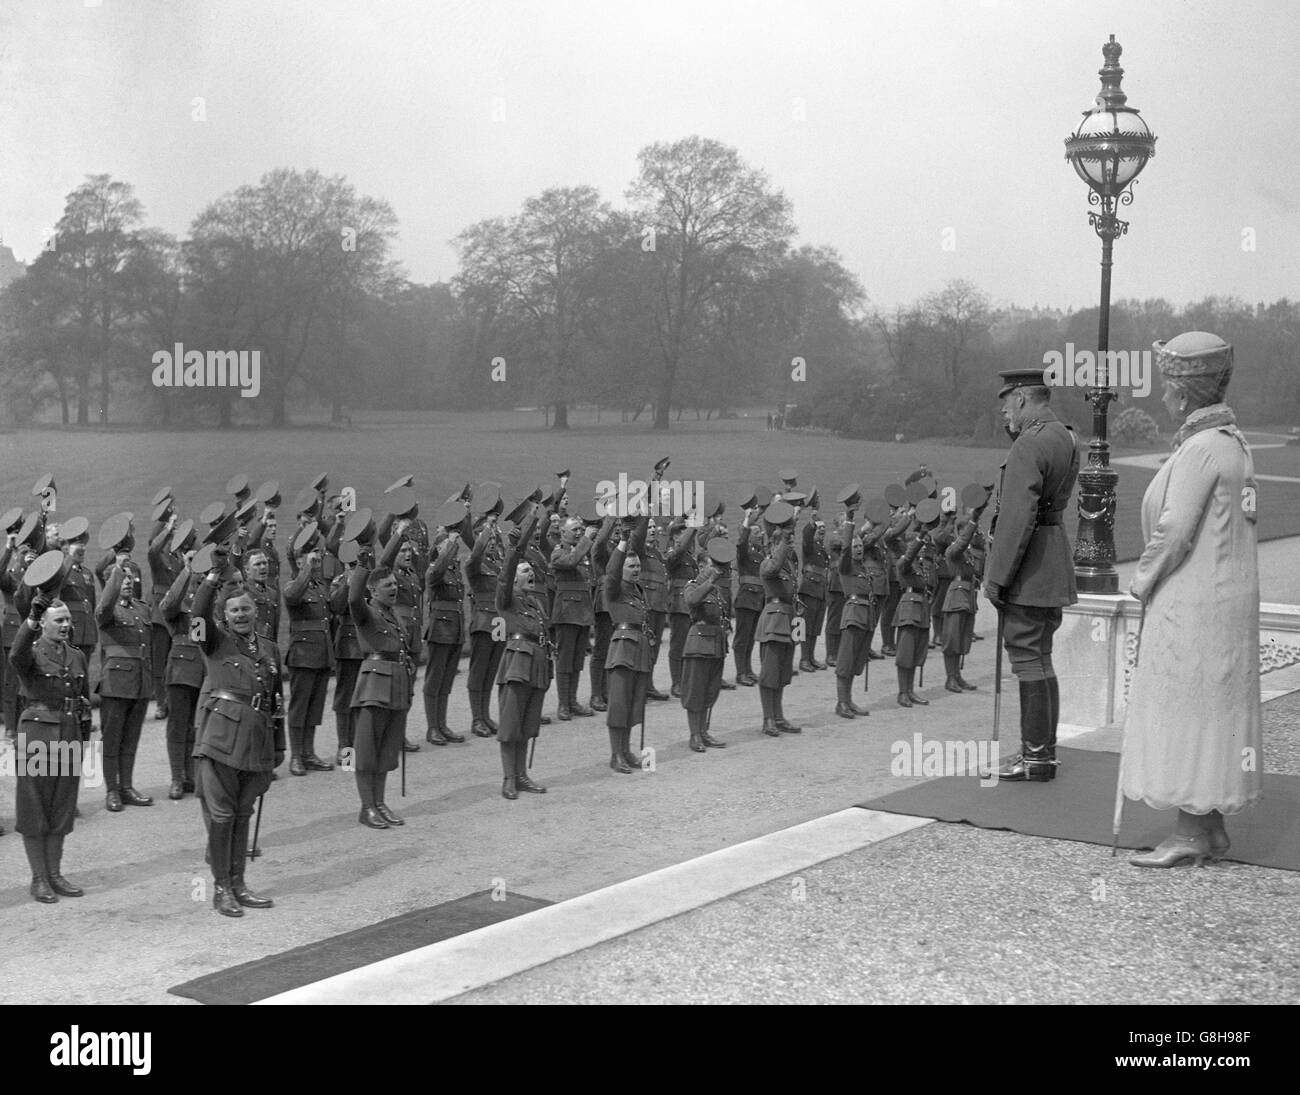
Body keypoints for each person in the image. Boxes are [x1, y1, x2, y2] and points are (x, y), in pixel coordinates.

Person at [1121, 332, 1262, 867]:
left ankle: (1189, 832)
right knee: (1212, 710)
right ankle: (1210, 824)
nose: (1161, 399)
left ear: (1183, 395)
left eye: (1167, 389)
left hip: (1193, 602)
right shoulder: (1233, 443)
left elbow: (1175, 529)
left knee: (1186, 708)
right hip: (1223, 599)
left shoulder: (1202, 449)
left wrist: (1142, 581)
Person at [984, 367, 1080, 781]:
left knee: (1025, 658)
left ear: (1022, 398)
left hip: (1028, 568)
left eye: (1007, 403)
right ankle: (1044, 754)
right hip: (1054, 559)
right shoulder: (1066, 436)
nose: (1005, 412)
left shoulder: (1030, 444)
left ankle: (1035, 757)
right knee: (1041, 657)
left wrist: (996, 578)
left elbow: (1016, 519)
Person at [191, 573, 283, 917]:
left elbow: (276, 701)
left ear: (256, 611)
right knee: (222, 815)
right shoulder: (215, 642)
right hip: (220, 739)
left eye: (246, 608)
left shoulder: (270, 647)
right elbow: (196, 619)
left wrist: (279, 747)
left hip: (257, 740)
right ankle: (221, 888)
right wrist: (211, 582)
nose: (241, 615)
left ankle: (240, 883)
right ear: (224, 616)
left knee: (244, 814)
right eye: (234, 611)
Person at [10, 595, 91, 903]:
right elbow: (15, 654)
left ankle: (55, 874)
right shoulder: (30, 652)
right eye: (59, 620)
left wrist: (82, 740)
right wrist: (28, 621)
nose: (66, 625)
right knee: (34, 805)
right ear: (43, 623)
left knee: (62, 805)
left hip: (69, 731)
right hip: (37, 734)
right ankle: (39, 878)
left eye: (68, 620)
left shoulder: (77, 656)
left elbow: (81, 699)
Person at [348, 562, 415, 829]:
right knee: (365, 749)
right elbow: (353, 597)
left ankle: (380, 802)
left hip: (397, 683)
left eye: (395, 583)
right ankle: (367, 807)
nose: (394, 588)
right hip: (374, 685)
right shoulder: (366, 612)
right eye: (388, 585)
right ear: (373, 591)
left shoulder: (393, 614)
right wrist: (363, 567)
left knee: (387, 749)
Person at [494, 509, 551, 798]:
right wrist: (515, 551)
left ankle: (522, 775)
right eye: (526, 571)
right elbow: (504, 578)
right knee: (511, 723)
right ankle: (508, 778)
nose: (531, 574)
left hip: (537, 666)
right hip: (516, 665)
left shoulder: (535, 604)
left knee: (528, 724)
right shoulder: (507, 601)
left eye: (531, 571)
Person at [95, 555, 155, 810]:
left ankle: (126, 786)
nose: (128, 582)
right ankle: (112, 791)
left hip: (140, 682)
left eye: (130, 578)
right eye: (122, 579)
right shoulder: (107, 610)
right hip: (116, 683)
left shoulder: (141, 609)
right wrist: (116, 571)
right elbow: (104, 605)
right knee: (112, 740)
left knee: (131, 739)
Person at [605, 515, 654, 772]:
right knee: (619, 703)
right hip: (622, 650)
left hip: (639, 650)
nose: (635, 570)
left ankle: (626, 750)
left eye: (637, 567)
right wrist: (623, 543)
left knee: (634, 703)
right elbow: (612, 572)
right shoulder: (614, 588)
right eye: (630, 567)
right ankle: (616, 755)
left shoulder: (638, 591)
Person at [422, 506, 472, 745]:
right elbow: (439, 567)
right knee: (434, 679)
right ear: (439, 550)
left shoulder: (453, 571)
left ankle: (442, 724)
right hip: (440, 629)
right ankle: (432, 727)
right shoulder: (435, 570)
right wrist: (450, 544)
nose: (452, 552)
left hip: (455, 629)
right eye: (446, 548)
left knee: (446, 680)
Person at [283, 545, 335, 775]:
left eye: (317, 554)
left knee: (314, 707)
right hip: (303, 655)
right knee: (299, 707)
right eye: (310, 554)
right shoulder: (293, 585)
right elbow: (293, 596)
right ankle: (296, 755)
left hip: (322, 654)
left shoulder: (320, 586)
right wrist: (305, 568)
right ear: (300, 559)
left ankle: (308, 752)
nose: (316, 559)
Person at [159, 554, 206, 798]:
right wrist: (185, 571)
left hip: (205, 670)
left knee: (196, 726)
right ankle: (177, 777)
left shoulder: (212, 599)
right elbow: (166, 607)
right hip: (181, 670)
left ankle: (191, 775)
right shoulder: (180, 603)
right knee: (178, 726)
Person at [680, 539, 733, 751]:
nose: (717, 569)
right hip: (699, 643)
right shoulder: (692, 585)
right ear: (702, 565)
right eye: (712, 564)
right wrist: (710, 580)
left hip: (716, 643)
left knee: (711, 691)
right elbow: (692, 601)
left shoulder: (717, 591)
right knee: (696, 691)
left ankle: (704, 731)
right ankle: (694, 735)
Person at [756, 501, 801, 737]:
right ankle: (768, 719)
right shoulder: (768, 563)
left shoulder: (790, 565)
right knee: (769, 674)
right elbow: (772, 569)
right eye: (783, 544)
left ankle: (779, 716)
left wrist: (799, 635)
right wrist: (784, 542)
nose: (789, 547)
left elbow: (794, 595)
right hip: (773, 622)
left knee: (783, 674)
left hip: (790, 619)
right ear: (774, 544)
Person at [549, 515, 597, 720]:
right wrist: (586, 538)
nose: (578, 532)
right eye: (574, 529)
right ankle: (563, 703)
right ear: (563, 533)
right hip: (567, 612)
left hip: (582, 612)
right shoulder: (558, 553)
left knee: (577, 660)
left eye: (580, 529)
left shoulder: (582, 553)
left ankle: (572, 700)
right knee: (564, 659)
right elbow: (571, 561)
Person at [464, 510, 505, 738]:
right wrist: (487, 529)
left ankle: (485, 715)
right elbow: (476, 553)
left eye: (491, 540)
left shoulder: (496, 563)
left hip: (498, 621)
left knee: (491, 670)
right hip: (483, 622)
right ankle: (476, 718)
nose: (490, 542)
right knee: (478, 671)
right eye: (486, 539)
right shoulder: (474, 563)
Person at [664, 516, 699, 698]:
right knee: (678, 645)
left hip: (690, 602)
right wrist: (692, 528)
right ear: (673, 537)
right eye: (680, 532)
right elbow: (678, 552)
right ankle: (676, 682)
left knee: (689, 643)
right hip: (679, 604)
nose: (685, 535)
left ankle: (686, 680)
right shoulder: (673, 553)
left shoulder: (690, 557)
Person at [732, 504, 765, 687]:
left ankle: (748, 669)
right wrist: (747, 522)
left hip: (758, 600)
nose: (760, 534)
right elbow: (740, 542)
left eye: (760, 532)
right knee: (742, 638)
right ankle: (740, 672)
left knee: (751, 637)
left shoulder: (761, 554)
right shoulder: (745, 553)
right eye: (756, 532)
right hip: (746, 600)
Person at [797, 513, 829, 671]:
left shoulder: (823, 549)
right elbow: (807, 535)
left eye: (824, 527)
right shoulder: (809, 546)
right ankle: (804, 659)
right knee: (806, 625)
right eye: (819, 527)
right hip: (809, 589)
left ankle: (811, 657)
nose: (822, 529)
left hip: (821, 590)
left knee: (815, 626)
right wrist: (812, 522)